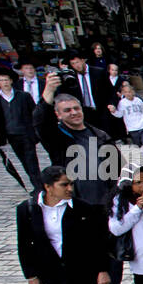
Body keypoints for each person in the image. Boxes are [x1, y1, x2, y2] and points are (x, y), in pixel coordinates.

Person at [33, 74, 121, 211]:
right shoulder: (56, 137)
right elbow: (40, 122)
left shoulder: (100, 135)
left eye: (76, 108)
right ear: (58, 115)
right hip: (74, 203)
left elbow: (118, 166)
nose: (74, 113)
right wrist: (49, 91)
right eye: (67, 110)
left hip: (104, 201)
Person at [0, 67, 41, 189]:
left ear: (11, 81)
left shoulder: (23, 96)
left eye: (7, 80)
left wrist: (36, 130)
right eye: (2, 80)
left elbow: (34, 113)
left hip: (26, 133)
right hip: (11, 134)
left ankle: (39, 187)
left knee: (31, 160)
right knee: (23, 160)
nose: (5, 83)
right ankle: (36, 184)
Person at [109, 82, 143, 150]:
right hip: (132, 127)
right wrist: (114, 112)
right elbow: (120, 114)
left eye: (129, 92)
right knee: (137, 143)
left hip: (142, 124)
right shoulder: (122, 103)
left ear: (133, 92)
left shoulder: (138, 100)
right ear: (123, 93)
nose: (128, 94)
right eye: (126, 92)